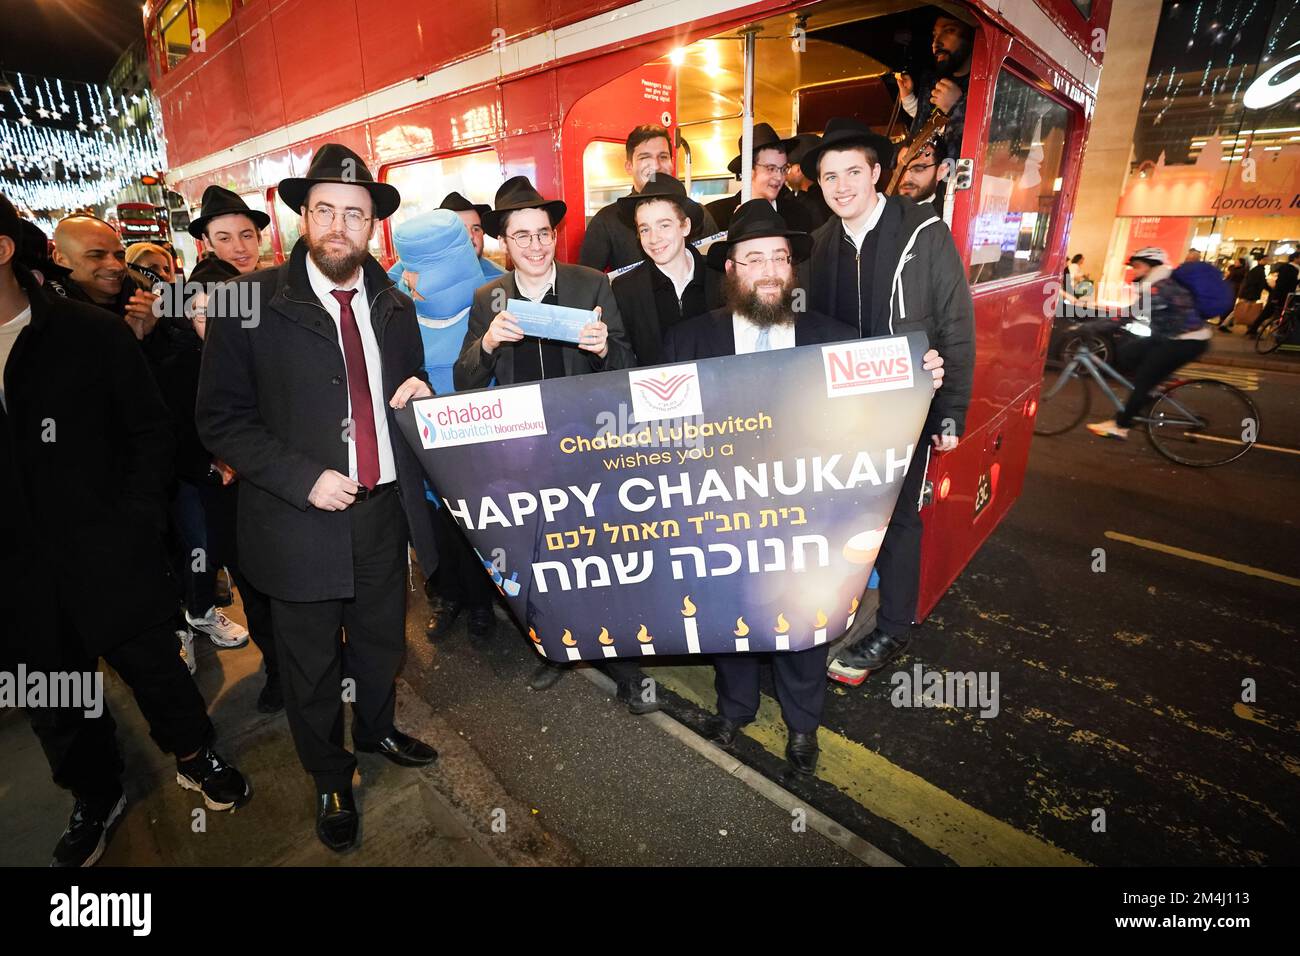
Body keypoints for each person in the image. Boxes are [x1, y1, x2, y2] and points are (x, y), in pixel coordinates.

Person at [196, 143, 441, 852]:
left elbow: (407, 381)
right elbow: (220, 419)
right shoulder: (250, 300)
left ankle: (376, 730)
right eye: (325, 210)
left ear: (373, 227)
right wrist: (303, 476)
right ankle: (329, 776)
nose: (339, 226)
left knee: (379, 644)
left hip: (382, 512)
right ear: (304, 217)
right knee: (309, 666)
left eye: (354, 214)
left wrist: (415, 395)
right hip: (295, 520)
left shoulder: (395, 303)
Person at [0, 192, 251, 867]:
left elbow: (151, 431)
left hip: (112, 555)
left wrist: (133, 524)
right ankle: (95, 794)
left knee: (156, 673)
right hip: (20, 578)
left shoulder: (85, 332)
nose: (115, 266)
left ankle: (197, 758)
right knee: (53, 695)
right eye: (99, 254)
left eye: (119, 253)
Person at [659, 202, 856, 776]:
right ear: (731, 270)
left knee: (803, 622)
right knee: (729, 614)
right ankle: (736, 709)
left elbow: (873, 415)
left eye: (779, 258)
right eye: (753, 259)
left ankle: (802, 726)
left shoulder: (835, 340)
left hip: (806, 513)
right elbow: (660, 436)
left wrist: (927, 374)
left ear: (792, 269)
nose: (768, 270)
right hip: (721, 514)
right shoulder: (687, 342)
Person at [452, 176, 650, 708]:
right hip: (528, 454)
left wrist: (605, 348)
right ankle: (558, 652)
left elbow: (628, 369)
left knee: (605, 558)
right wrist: (489, 342)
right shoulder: (487, 297)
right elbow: (464, 381)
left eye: (544, 233)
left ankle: (627, 667)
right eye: (523, 236)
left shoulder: (591, 285)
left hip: (589, 447)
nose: (536, 245)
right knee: (544, 560)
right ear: (504, 243)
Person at [799, 116, 975, 681]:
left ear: (876, 173)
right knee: (842, 516)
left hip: (907, 407)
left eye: (853, 171)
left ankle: (895, 629)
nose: (842, 185)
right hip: (842, 413)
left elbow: (955, 324)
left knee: (898, 519)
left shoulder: (923, 232)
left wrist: (951, 411)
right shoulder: (821, 246)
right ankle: (835, 611)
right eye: (829, 177)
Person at [155, 253, 284, 710]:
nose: (212, 321)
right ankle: (279, 672)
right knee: (255, 590)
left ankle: (321, 660)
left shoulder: (269, 352)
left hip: (282, 495)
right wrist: (212, 468)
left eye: (224, 311)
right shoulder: (176, 366)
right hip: (223, 499)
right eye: (201, 312)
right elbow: (172, 437)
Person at [388, 208, 499, 640]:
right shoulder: (392, 299)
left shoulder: (494, 291)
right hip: (421, 433)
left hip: (476, 430)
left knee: (470, 524)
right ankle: (445, 597)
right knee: (432, 524)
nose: (413, 280)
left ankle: (480, 605)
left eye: (422, 270)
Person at [1086, 247, 1212, 440]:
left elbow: (1131, 314)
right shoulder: (1157, 284)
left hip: (1187, 341)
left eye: (1137, 266)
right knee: (1128, 352)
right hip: (1170, 336)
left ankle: (1121, 426)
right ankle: (1155, 387)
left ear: (1151, 266)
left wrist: (1094, 326)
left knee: (1144, 381)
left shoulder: (1159, 287)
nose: (1134, 270)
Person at [580, 124, 719, 273]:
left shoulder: (698, 214)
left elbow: (716, 270)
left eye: (663, 157)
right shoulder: (606, 221)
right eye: (645, 157)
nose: (656, 165)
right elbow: (586, 283)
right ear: (629, 166)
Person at [611, 173, 716, 365]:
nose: (653, 238)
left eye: (664, 225)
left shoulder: (720, 276)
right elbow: (622, 359)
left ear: (685, 227)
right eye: (645, 229)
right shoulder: (625, 289)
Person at [705, 123, 814, 232]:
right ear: (748, 170)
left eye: (783, 169)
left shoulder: (798, 215)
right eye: (771, 168)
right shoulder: (716, 215)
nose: (779, 177)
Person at [898, 12, 973, 157]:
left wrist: (957, 107)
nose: (936, 43)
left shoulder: (988, 85)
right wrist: (908, 99)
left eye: (949, 30)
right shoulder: (932, 80)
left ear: (971, 36)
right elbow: (927, 121)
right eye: (935, 35)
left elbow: (993, 143)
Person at [188, 185, 270, 276]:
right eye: (224, 239)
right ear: (208, 243)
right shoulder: (208, 286)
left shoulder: (271, 278)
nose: (240, 248)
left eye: (247, 236)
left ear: (259, 237)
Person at [786, 133, 833, 229]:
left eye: (788, 168)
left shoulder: (815, 205)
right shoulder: (791, 198)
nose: (785, 174)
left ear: (798, 170)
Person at [1248, 252, 1298, 338]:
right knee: (1268, 313)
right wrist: (1275, 296)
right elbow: (1281, 283)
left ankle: (1259, 330)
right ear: (1295, 258)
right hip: (1280, 295)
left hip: (1283, 295)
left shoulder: (1292, 268)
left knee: (1274, 314)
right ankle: (1254, 329)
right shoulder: (1288, 268)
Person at [896, 139, 952, 206]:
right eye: (901, 170)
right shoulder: (888, 209)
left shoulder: (949, 213)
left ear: (942, 171)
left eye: (918, 169)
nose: (906, 178)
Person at [1224, 254, 1268, 332]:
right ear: (1259, 260)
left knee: (1248, 310)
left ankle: (1250, 328)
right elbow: (1255, 283)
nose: (1266, 261)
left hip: (1249, 293)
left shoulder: (1258, 270)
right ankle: (1225, 324)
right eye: (1265, 259)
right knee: (1241, 310)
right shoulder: (1256, 270)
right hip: (1249, 294)